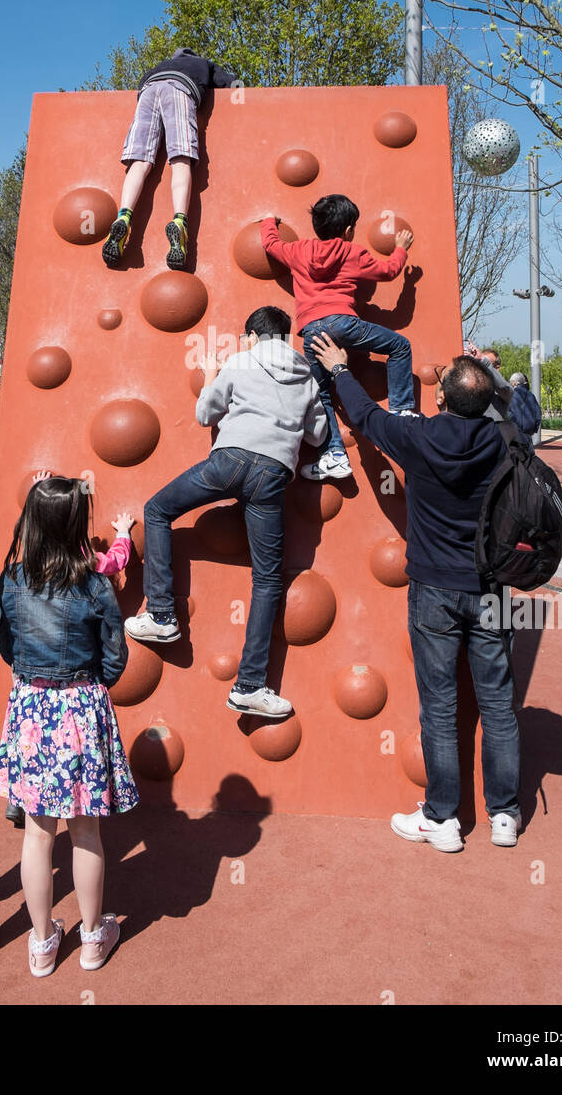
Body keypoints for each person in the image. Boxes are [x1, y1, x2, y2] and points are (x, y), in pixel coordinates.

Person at [311, 334, 521, 852]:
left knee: (440, 704)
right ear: (486, 397)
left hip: (434, 590)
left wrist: (339, 369)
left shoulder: (422, 437)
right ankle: (505, 816)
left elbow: (365, 416)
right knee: (498, 704)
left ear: (441, 398)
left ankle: (443, 819)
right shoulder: (507, 438)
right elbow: (520, 402)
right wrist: (486, 371)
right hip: (491, 584)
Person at [125, 305, 327, 719]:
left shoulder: (240, 360)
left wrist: (210, 375)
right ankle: (250, 686)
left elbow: (204, 415)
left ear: (252, 336)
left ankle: (163, 615)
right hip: (273, 473)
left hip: (229, 461)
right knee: (268, 579)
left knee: (158, 510)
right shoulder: (305, 374)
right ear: (286, 338)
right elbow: (319, 433)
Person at [0, 475, 138, 976]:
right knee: (86, 831)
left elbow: (7, 646)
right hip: (80, 705)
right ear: (77, 523)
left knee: (37, 833)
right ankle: (94, 938)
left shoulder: (12, 578)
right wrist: (91, 687)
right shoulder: (93, 583)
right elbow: (115, 656)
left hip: (32, 707)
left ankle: (42, 942)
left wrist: (34, 679)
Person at [260, 196, 415, 482]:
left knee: (321, 393)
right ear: (348, 230)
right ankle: (402, 411)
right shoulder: (351, 252)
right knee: (399, 346)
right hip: (343, 323)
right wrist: (400, 250)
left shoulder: (297, 250)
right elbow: (389, 271)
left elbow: (271, 245)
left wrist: (270, 220)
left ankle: (334, 455)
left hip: (311, 333)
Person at [102, 46, 238, 272]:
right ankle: (180, 221)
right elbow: (230, 83)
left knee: (140, 161)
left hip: (148, 90)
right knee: (181, 159)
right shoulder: (203, 64)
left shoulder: (161, 65)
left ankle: (124, 216)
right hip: (180, 88)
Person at [508, 372, 542, 448]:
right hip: (529, 431)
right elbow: (538, 413)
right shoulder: (531, 395)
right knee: (529, 454)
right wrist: (534, 428)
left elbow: (509, 413)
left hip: (515, 432)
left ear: (514, 383)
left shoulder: (511, 395)